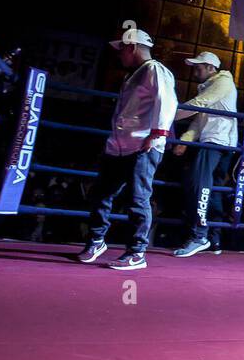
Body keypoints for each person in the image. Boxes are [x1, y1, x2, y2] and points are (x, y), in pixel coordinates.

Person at [75, 27, 177, 270]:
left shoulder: (155, 69)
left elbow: (167, 101)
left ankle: (137, 251)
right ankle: (97, 240)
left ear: (132, 47)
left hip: (143, 144)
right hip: (121, 146)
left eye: (122, 48)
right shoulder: (133, 74)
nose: (119, 54)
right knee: (101, 193)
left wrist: (157, 133)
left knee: (137, 198)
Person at [171, 51, 239, 258]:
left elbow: (199, 104)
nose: (195, 70)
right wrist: (185, 140)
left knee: (199, 183)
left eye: (199, 67)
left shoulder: (223, 81)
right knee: (213, 191)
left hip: (216, 141)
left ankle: (200, 235)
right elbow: (199, 121)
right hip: (219, 141)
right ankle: (214, 239)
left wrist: (168, 113)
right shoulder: (209, 87)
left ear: (211, 67)